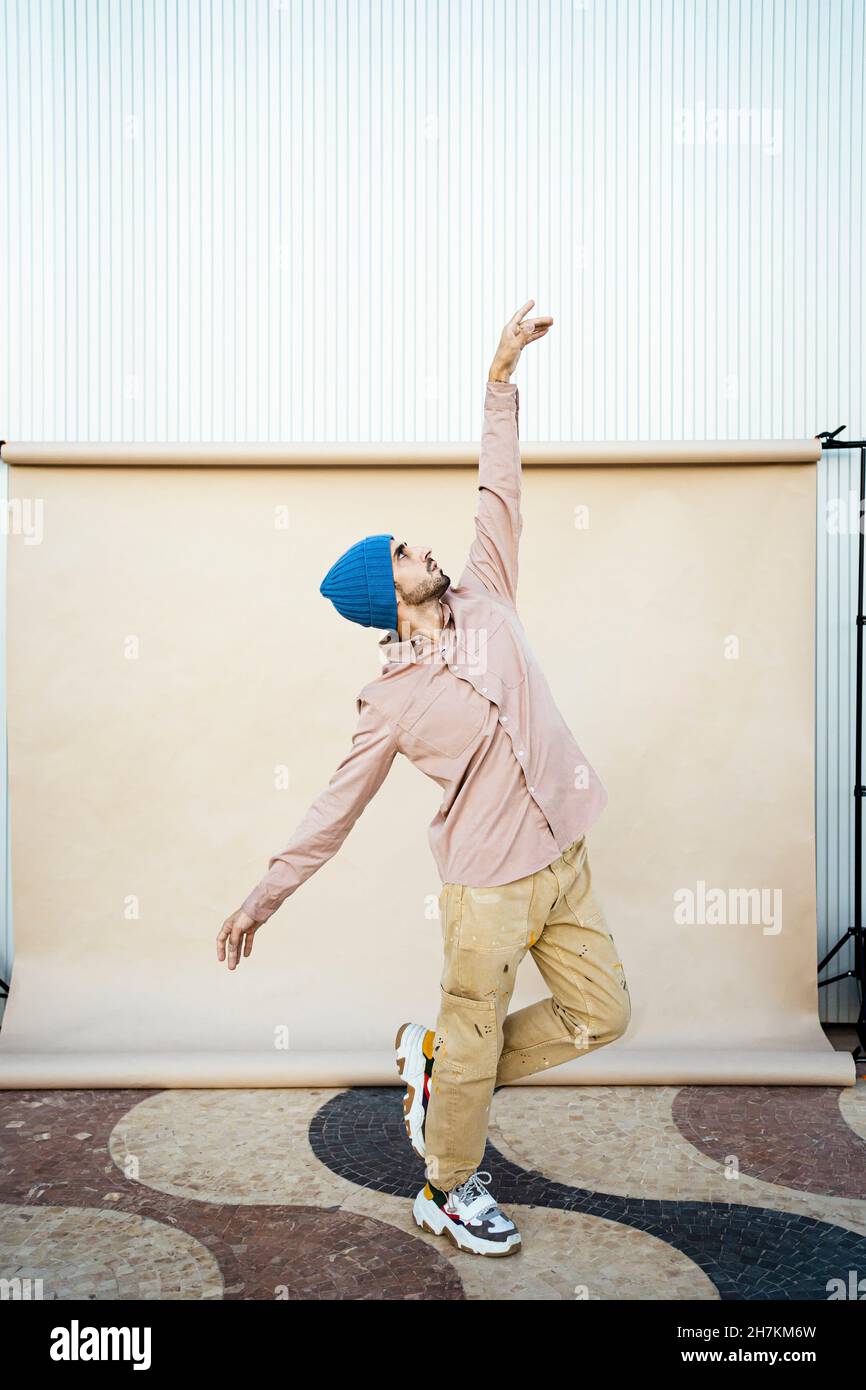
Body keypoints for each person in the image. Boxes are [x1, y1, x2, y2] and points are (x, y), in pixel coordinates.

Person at [217, 300, 631, 1258]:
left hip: (563, 855)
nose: (425, 550)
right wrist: (262, 897)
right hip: (483, 887)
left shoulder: (487, 586)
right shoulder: (389, 701)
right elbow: (335, 809)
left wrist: (500, 375)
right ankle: (448, 1186)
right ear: (386, 597)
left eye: (413, 543)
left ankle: (442, 1067)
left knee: (601, 1014)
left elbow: (500, 489)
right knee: (477, 1033)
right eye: (404, 555)